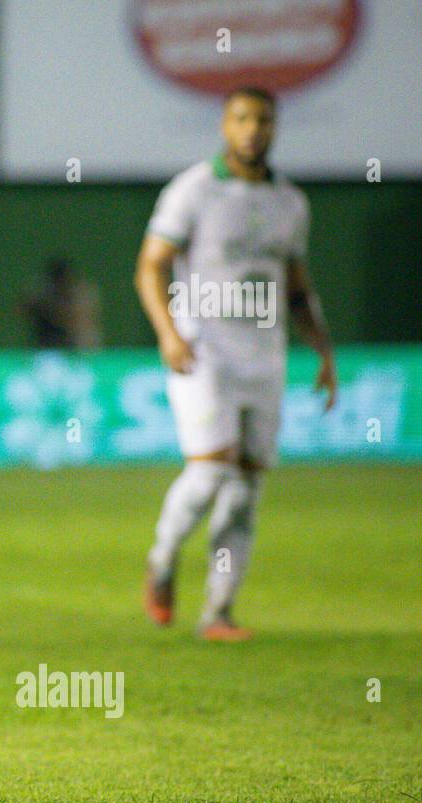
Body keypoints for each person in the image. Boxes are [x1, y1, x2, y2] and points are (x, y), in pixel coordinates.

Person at [134, 86, 337, 641]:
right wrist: (168, 333)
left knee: (247, 488)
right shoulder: (194, 191)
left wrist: (322, 350)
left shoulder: (290, 202)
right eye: (242, 118)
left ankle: (218, 612)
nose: (253, 129)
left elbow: (297, 288)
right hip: (205, 351)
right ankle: (163, 558)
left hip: (264, 359)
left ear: (274, 127)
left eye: (264, 119)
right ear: (225, 126)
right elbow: (150, 267)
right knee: (210, 470)